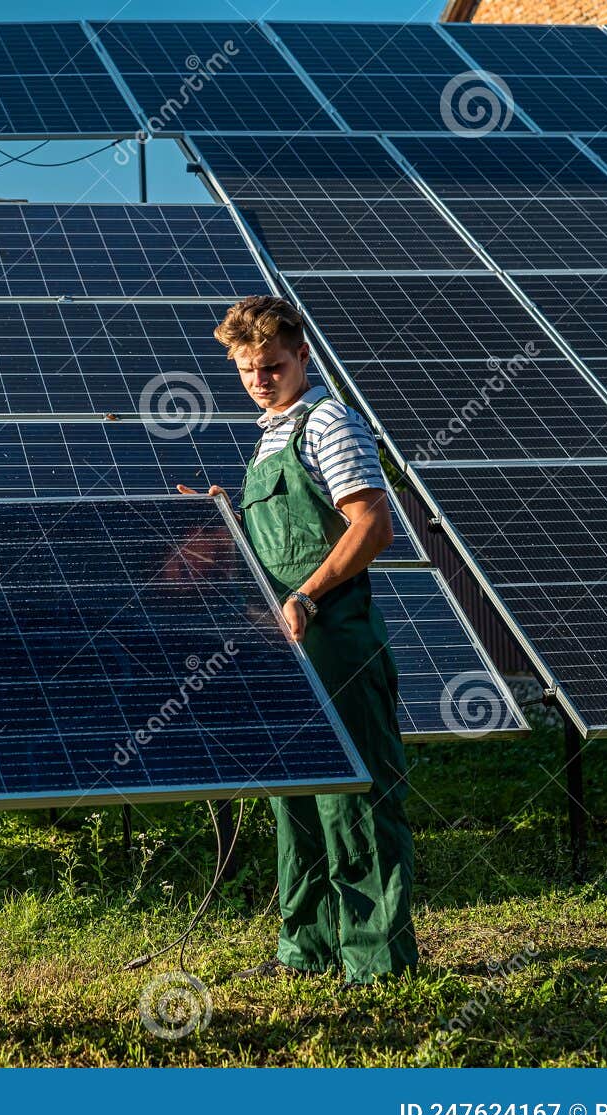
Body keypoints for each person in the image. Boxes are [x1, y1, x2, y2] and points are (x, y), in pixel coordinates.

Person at [181, 295, 416, 984]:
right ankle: (306, 953)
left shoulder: (328, 422)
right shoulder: (271, 434)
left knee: (356, 804)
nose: (261, 379)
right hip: (287, 645)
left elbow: (372, 525)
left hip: (334, 636)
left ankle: (377, 967)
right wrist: (224, 513)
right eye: (248, 369)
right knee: (299, 797)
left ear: (303, 355)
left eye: (273, 366)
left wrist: (308, 595)